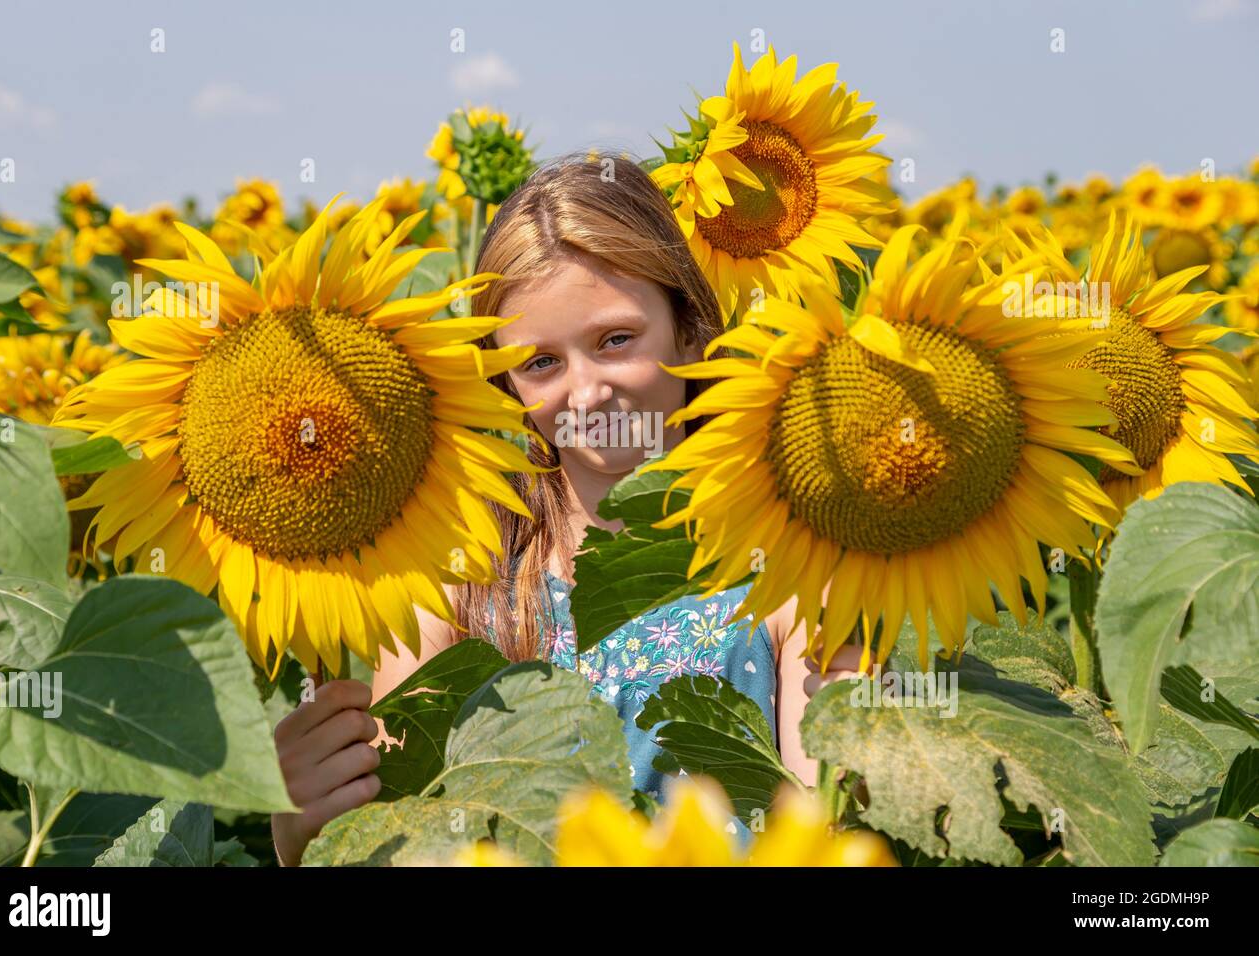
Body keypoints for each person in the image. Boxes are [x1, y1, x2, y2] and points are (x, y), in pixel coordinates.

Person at [271, 156, 868, 867]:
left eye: (615, 340)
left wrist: (862, 753)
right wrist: (299, 832)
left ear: (687, 323)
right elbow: (398, 841)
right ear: (503, 381)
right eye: (541, 364)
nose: (585, 395)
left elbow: (822, 828)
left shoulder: (787, 561)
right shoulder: (460, 574)